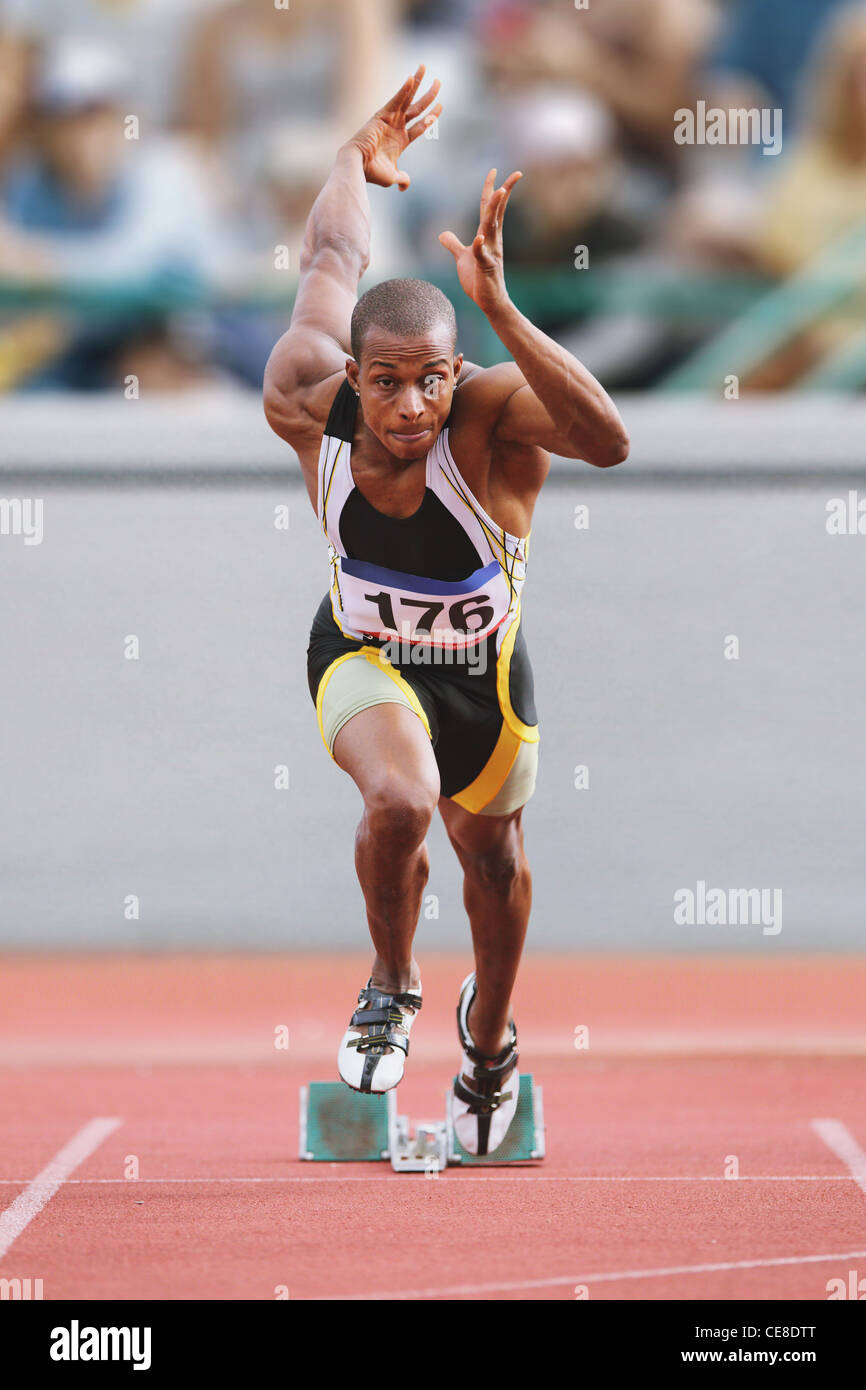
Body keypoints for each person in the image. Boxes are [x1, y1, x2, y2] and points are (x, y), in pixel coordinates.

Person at [263, 69, 628, 1155]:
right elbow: (331, 263)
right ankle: (390, 982)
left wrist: (504, 309)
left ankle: (488, 1042)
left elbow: (607, 442)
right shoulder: (300, 394)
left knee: (495, 866)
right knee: (397, 801)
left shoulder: (488, 422)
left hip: (483, 675)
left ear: (454, 369)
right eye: (384, 382)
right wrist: (345, 161)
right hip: (364, 658)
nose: (410, 407)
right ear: (350, 380)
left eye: (430, 380)